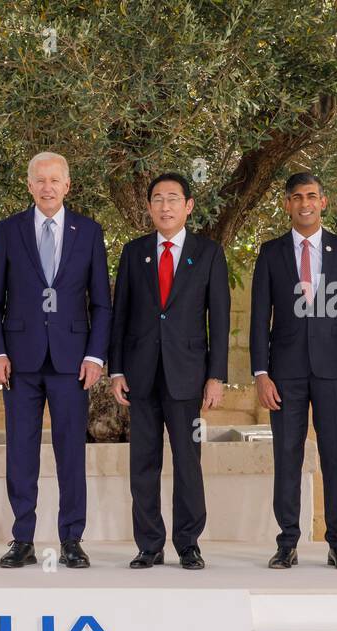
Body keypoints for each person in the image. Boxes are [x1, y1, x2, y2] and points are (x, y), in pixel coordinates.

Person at [0, 151, 111, 569]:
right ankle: (22, 538)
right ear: (29, 185)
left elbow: (102, 305)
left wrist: (95, 355)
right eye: (40, 180)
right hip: (19, 362)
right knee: (21, 451)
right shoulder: (8, 230)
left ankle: (72, 539)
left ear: (67, 186)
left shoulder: (89, 233)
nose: (47, 187)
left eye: (55, 180)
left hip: (73, 363)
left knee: (70, 451)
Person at [249, 172, 337, 571]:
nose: (305, 203)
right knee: (287, 456)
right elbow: (257, 319)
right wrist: (260, 374)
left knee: (336, 457)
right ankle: (287, 543)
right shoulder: (270, 253)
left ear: (323, 201)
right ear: (287, 204)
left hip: (336, 374)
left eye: (312, 196)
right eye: (297, 197)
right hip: (284, 375)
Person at [109, 172, 228, 570]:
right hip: (141, 376)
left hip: (188, 377)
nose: (165, 206)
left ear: (188, 206)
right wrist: (116, 370)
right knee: (143, 462)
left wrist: (216, 376)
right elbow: (120, 316)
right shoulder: (133, 252)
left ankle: (188, 543)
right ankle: (149, 544)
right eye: (157, 199)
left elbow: (220, 320)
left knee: (188, 461)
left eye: (173, 198)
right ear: (148, 207)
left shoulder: (208, 253)